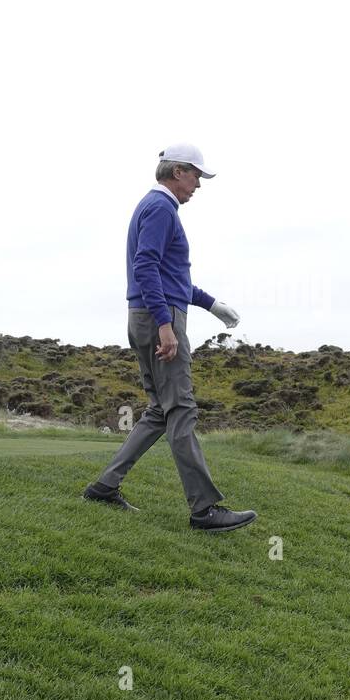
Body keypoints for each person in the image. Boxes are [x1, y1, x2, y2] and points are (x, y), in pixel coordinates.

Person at [81, 144, 258, 533]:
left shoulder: (155, 207)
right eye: (196, 176)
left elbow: (170, 277)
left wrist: (211, 305)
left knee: (160, 411)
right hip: (159, 318)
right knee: (181, 409)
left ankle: (104, 487)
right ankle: (204, 511)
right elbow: (146, 266)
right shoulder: (161, 208)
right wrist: (166, 325)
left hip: (144, 315)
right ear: (178, 171)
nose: (198, 185)